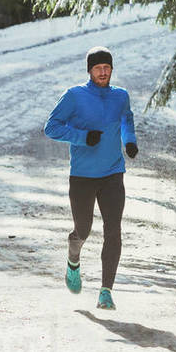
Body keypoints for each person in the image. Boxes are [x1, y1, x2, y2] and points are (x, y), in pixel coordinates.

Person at [44, 46, 138, 310]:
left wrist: (129, 142)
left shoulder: (121, 96)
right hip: (83, 176)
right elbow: (51, 127)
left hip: (113, 173)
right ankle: (74, 258)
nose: (103, 72)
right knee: (83, 229)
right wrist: (83, 137)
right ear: (90, 70)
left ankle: (106, 291)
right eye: (98, 68)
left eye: (107, 68)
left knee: (113, 230)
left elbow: (126, 120)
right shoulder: (74, 96)